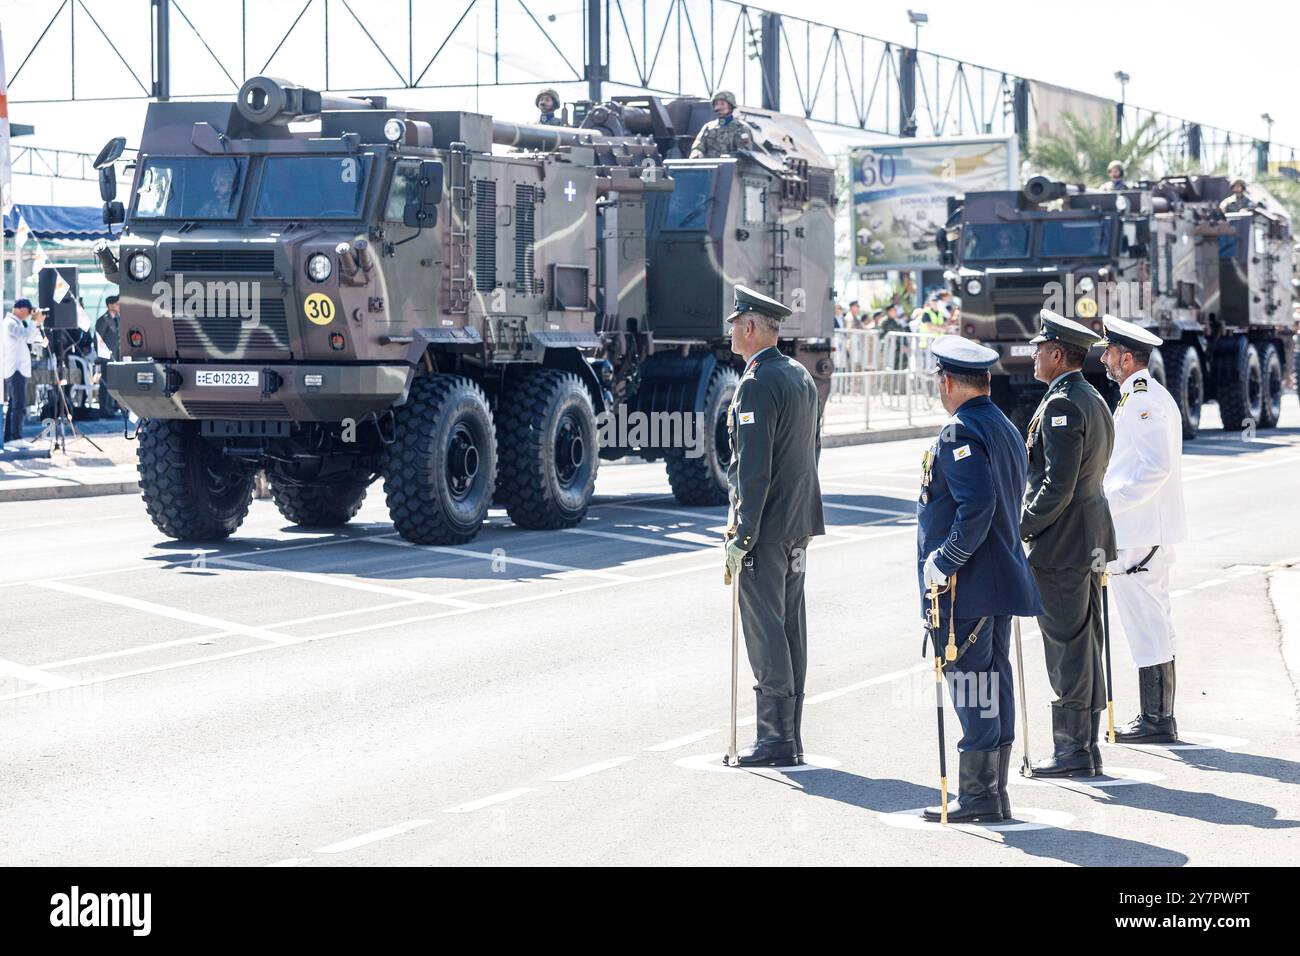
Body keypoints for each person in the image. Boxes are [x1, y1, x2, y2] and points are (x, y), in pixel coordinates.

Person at [919, 336, 1043, 822]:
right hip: (996, 578)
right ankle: (993, 791)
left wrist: (944, 561)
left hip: (965, 584)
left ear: (947, 382)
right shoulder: (1003, 425)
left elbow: (978, 508)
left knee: (972, 683)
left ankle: (977, 796)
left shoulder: (959, 432)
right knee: (993, 680)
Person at [723, 284, 825, 766]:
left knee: (766, 632)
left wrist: (742, 535)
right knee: (790, 629)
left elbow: (753, 469)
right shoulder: (800, 375)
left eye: (734, 324)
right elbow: (811, 451)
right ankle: (792, 734)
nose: (730, 332)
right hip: (797, 521)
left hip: (766, 528)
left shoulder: (757, 383)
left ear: (749, 327)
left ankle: (775, 740)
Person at [1020, 310, 1117, 777]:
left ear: (1057, 354)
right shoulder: (1089, 396)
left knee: (1067, 646)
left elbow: (1056, 485)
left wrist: (1021, 526)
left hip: (1064, 542)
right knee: (1085, 639)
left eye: (1039, 348)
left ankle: (1072, 750)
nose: (1033, 355)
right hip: (1089, 536)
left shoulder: (1063, 404)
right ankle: (1084, 746)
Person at [1098, 315, 1187, 743]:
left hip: (1139, 529)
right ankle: (1157, 715)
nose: (1104, 357)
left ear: (1126, 357)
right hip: (1144, 528)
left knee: (1146, 621)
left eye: (1110, 351)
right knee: (1152, 620)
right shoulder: (1139, 395)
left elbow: (1156, 467)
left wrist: (1109, 503)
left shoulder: (1141, 399)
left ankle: (1156, 719)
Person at [2, 299, 47, 448]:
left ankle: (9, 438)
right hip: (15, 369)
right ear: (20, 309)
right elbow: (26, 336)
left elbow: (32, 337)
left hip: (18, 369)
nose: (29, 315)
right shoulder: (10, 323)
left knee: (14, 404)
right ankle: (16, 437)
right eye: (28, 312)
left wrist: (38, 325)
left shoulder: (18, 323)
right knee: (19, 405)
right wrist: (35, 321)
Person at [689, 90, 754, 159]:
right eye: (716, 104)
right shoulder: (708, 127)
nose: (718, 107)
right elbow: (698, 146)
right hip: (710, 167)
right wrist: (696, 153)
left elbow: (745, 152)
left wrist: (731, 157)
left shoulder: (741, 128)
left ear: (730, 106)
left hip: (734, 168)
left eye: (722, 104)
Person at [94, 294, 123, 419]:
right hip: (106, 358)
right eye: (117, 304)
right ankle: (104, 409)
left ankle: (113, 406)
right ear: (110, 305)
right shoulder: (103, 320)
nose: (119, 306)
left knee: (115, 383)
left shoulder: (118, 318)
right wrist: (103, 355)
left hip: (117, 356)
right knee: (105, 384)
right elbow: (98, 339)